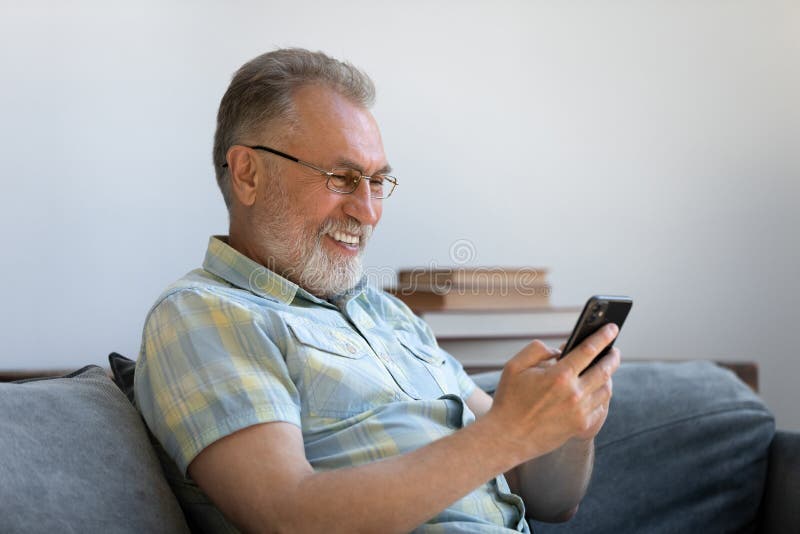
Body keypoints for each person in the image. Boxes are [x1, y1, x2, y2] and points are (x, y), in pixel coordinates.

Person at [134, 48, 621, 533]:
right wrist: (506, 432)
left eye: (377, 181)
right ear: (248, 174)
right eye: (342, 179)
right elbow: (286, 516)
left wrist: (570, 425)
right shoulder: (203, 314)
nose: (368, 211)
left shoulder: (389, 316)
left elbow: (550, 502)